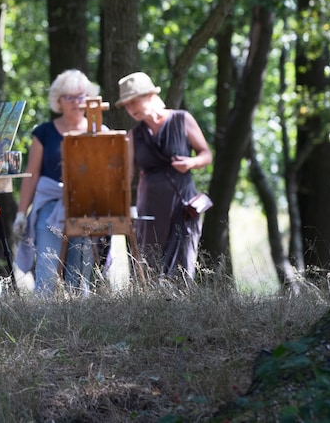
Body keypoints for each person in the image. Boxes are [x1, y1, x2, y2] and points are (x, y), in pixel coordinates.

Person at [115, 71, 212, 280]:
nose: (130, 109)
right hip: (150, 208)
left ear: (150, 95)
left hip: (183, 205)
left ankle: (183, 312)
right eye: (127, 105)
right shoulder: (133, 136)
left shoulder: (182, 119)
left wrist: (191, 163)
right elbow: (125, 176)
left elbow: (206, 154)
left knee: (183, 269)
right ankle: (154, 312)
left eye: (134, 102)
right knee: (150, 268)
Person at [13, 70, 101, 296]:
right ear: (58, 101)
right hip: (50, 204)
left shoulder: (98, 132)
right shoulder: (44, 132)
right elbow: (31, 174)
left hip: (85, 208)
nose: (75, 102)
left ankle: (79, 322)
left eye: (80, 96)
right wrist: (22, 213)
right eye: (69, 97)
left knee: (79, 273)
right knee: (46, 267)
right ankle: (42, 321)